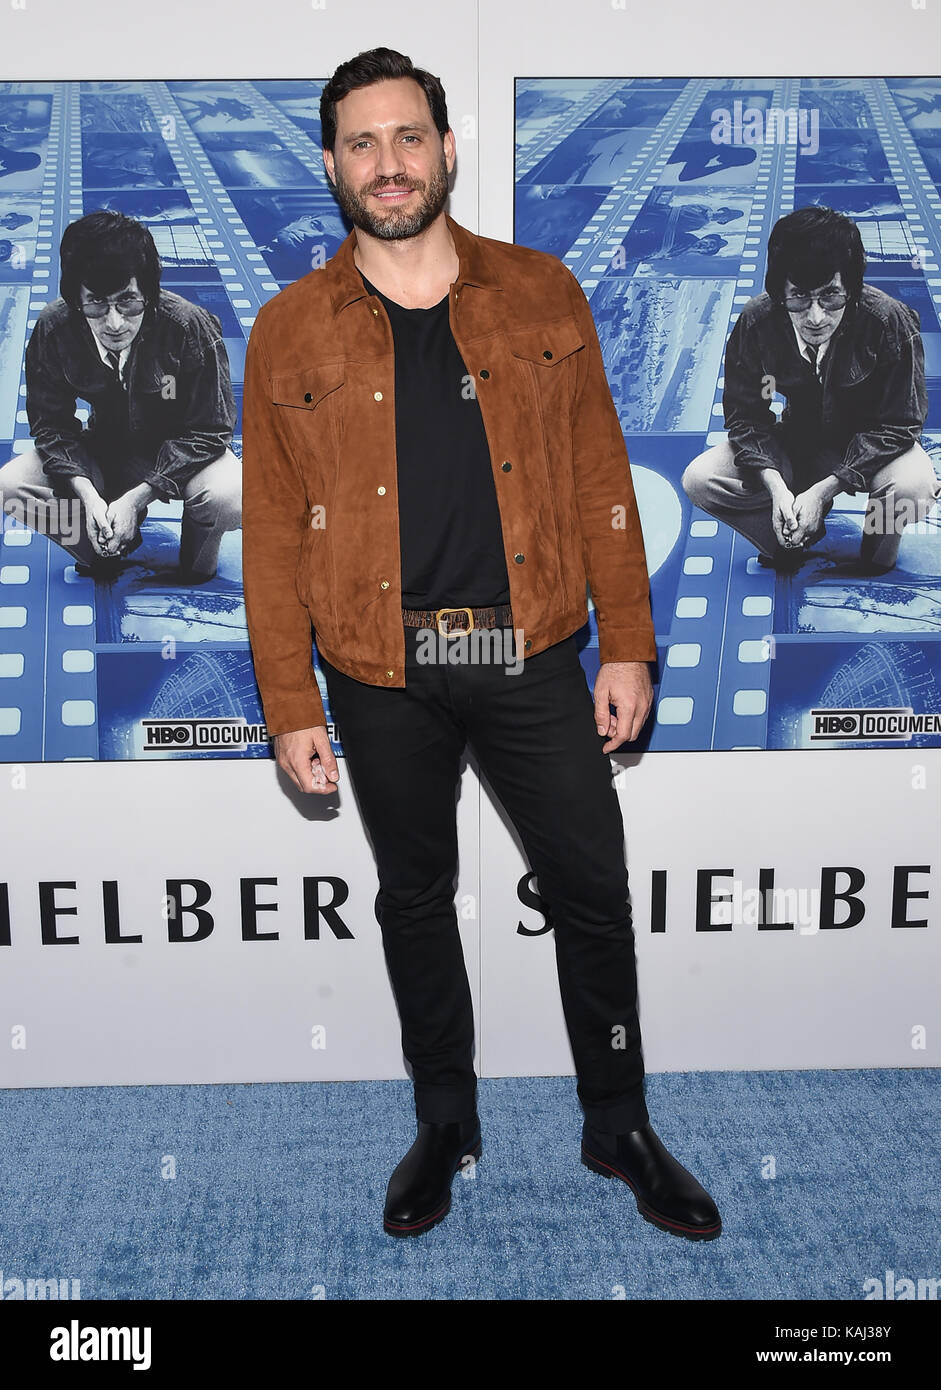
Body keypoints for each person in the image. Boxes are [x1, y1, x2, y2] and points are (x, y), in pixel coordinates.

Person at [241, 47, 721, 1242]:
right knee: (414, 897)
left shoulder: (541, 293)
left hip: (528, 650)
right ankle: (443, 1122)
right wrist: (289, 701)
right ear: (333, 167)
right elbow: (264, 534)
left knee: (592, 890)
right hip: (374, 665)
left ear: (447, 152)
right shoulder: (289, 331)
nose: (387, 164)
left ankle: (615, 1123)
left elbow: (604, 480)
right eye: (361, 143)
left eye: (407, 137)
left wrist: (629, 644)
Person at [683, 205, 940, 574]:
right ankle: (792, 535)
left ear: (850, 289)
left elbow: (901, 424)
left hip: (875, 446)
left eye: (831, 297)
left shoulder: (889, 322)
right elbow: (746, 417)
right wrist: (776, 488)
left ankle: (875, 551)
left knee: (913, 487)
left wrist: (825, 491)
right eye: (799, 298)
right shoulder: (757, 322)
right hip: (800, 441)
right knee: (701, 478)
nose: (816, 317)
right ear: (779, 291)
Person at [0, 210, 241, 583]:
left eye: (128, 302)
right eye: (96, 303)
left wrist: (138, 498)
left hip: (181, 452)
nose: (114, 322)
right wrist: (89, 498)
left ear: (148, 291)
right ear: (75, 297)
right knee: (11, 486)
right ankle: (102, 548)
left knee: (228, 495)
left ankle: (196, 557)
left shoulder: (189, 326)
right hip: (104, 449)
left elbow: (211, 430)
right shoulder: (55, 327)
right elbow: (51, 426)